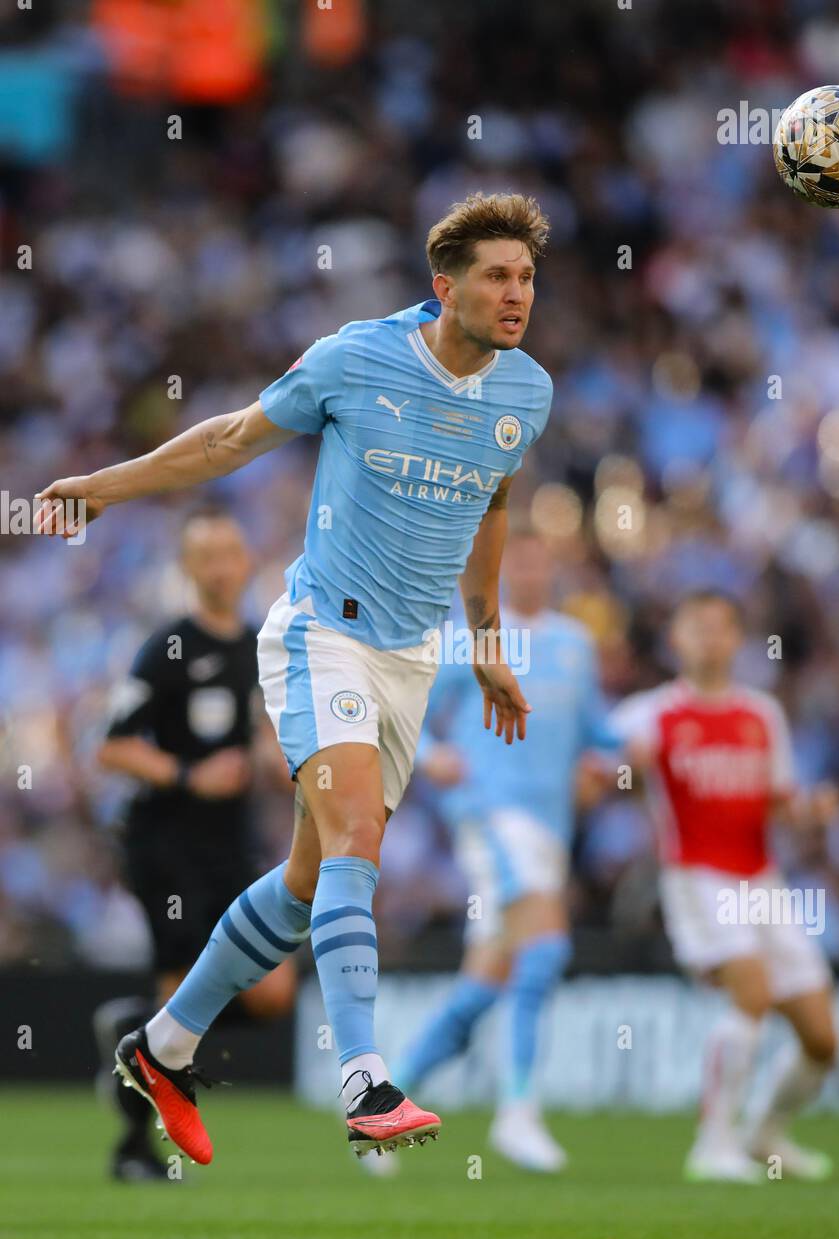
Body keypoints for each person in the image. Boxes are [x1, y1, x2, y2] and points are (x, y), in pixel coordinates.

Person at [36, 192, 554, 1164]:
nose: (515, 292)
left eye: (524, 275)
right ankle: (365, 1076)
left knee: (311, 878)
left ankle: (164, 1046)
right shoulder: (357, 358)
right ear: (444, 287)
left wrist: (483, 636)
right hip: (324, 631)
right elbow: (230, 438)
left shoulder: (526, 393)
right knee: (357, 834)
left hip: (411, 655)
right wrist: (103, 488)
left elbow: (492, 506)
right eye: (495, 274)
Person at [393, 528, 615, 1172]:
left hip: (552, 829)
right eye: (513, 559)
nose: (528, 570)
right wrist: (434, 759)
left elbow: (598, 731)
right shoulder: (471, 642)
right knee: (546, 948)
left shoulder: (575, 644)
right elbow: (408, 714)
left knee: (488, 980)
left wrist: (606, 763)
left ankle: (382, 1104)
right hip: (491, 816)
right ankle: (517, 1113)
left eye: (538, 559)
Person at [93, 507, 295, 1180]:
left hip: (230, 844)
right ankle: (130, 1152)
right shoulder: (168, 647)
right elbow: (114, 747)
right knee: (178, 994)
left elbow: (259, 733)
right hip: (167, 842)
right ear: (188, 568)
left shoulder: (255, 645)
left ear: (244, 561)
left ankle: (134, 1026)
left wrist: (274, 760)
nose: (219, 566)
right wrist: (188, 774)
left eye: (229, 552)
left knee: (272, 994)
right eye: (205, 555)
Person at [611, 591, 838, 1183]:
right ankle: (712, 1144)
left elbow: (781, 801)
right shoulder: (647, 715)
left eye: (721, 628)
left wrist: (809, 812)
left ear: (737, 639)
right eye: (698, 627)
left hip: (762, 877)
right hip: (695, 875)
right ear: (675, 640)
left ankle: (766, 1134)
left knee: (822, 1038)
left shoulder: (762, 715)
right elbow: (597, 777)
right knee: (752, 993)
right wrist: (622, 769)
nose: (711, 639)